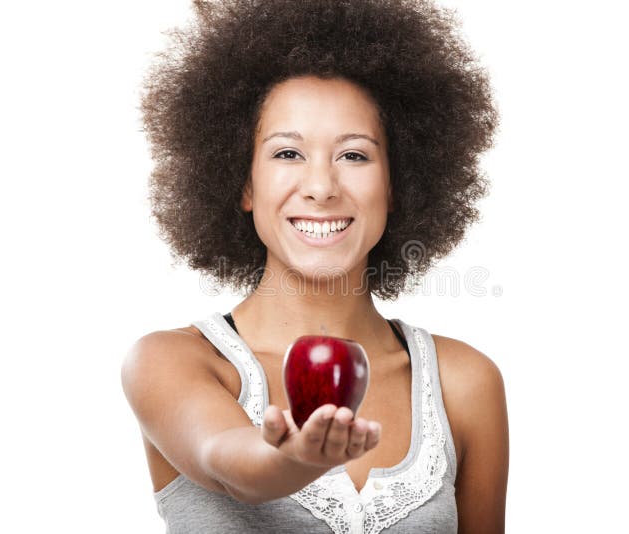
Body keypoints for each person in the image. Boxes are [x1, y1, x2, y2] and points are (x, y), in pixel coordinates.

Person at [121, 0, 509, 532]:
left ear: (397, 184)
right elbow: (229, 464)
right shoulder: (174, 362)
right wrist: (293, 460)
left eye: (354, 155)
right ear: (243, 183)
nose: (322, 187)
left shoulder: (464, 384)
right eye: (287, 154)